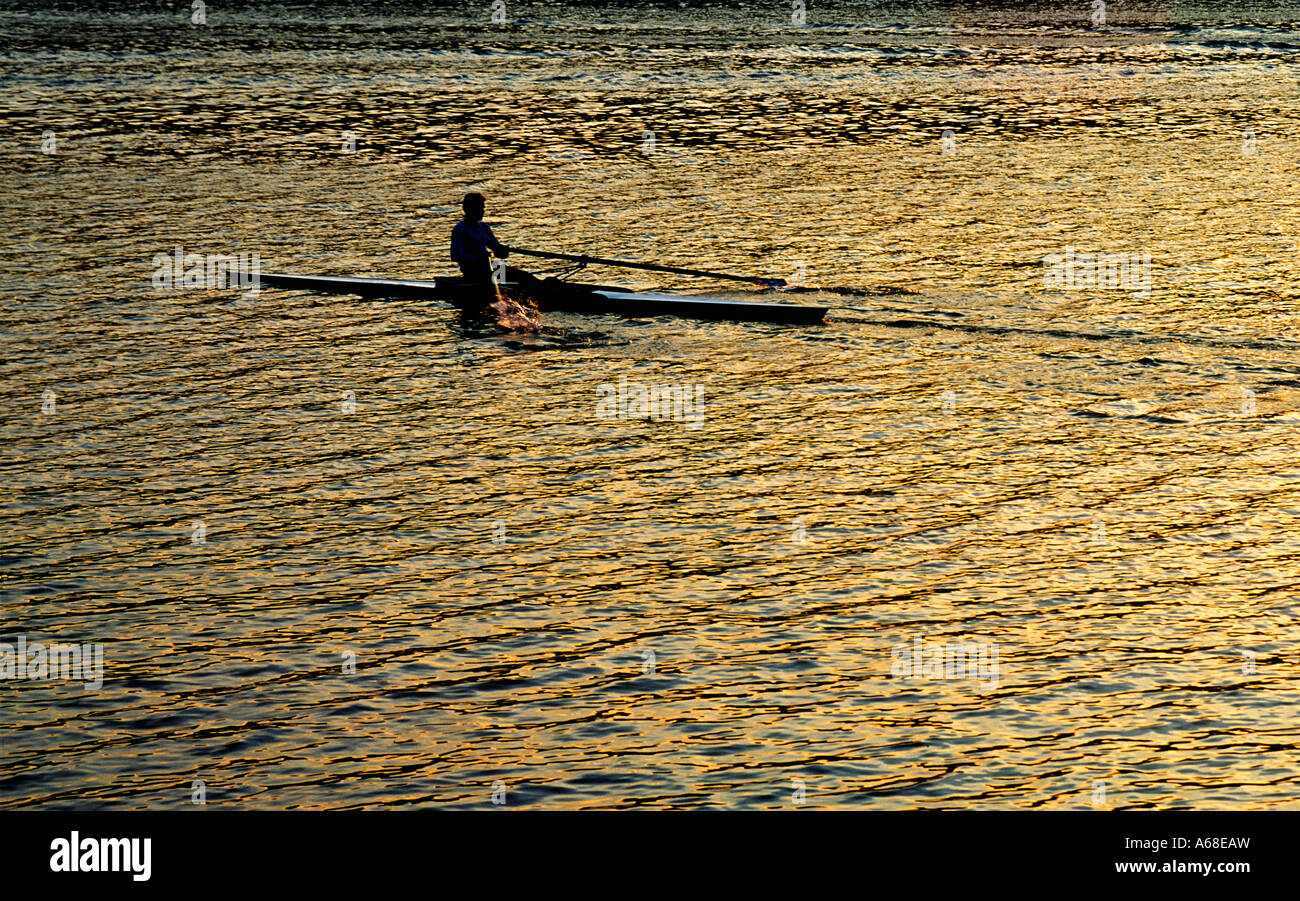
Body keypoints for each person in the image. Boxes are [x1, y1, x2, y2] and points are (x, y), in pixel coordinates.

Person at [450, 192, 510, 286]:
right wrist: (477, 259)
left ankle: (504, 288)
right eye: (479, 208)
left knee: (520, 275)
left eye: (483, 208)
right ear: (468, 209)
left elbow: (497, 249)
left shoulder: (484, 227)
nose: (482, 211)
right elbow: (455, 255)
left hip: (487, 267)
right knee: (500, 271)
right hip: (471, 270)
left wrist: (503, 251)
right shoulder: (460, 229)